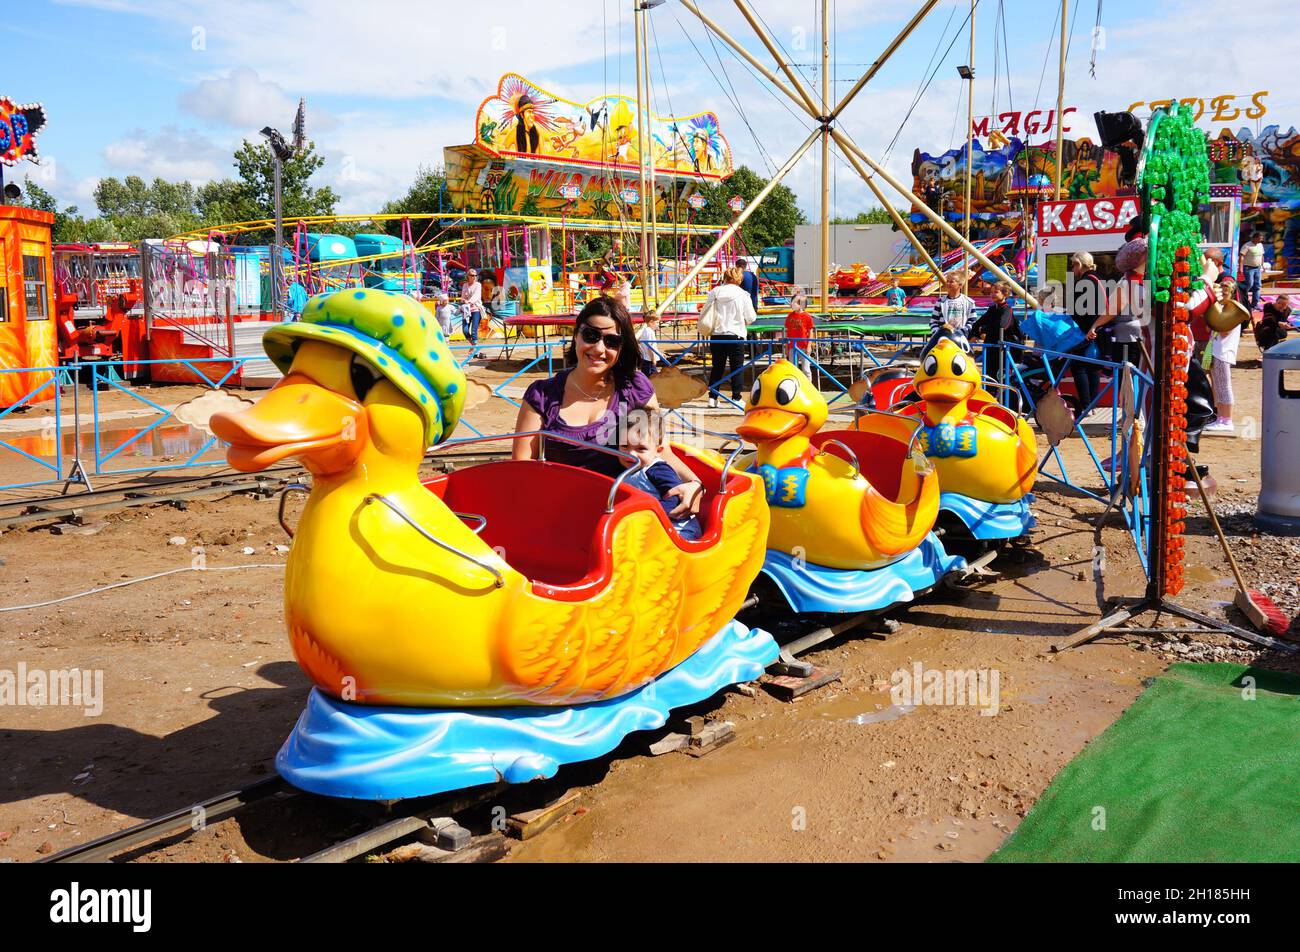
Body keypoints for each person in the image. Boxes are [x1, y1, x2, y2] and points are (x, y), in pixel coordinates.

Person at [513, 297, 704, 517]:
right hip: (558, 512)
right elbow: (522, 470)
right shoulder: (542, 395)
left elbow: (661, 451)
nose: (599, 349)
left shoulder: (634, 388)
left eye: (611, 341)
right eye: (591, 336)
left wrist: (696, 484)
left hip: (621, 516)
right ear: (576, 336)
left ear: (621, 347)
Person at [619, 407, 704, 542]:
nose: (631, 454)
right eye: (624, 446)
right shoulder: (628, 472)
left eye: (641, 448)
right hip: (650, 528)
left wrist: (646, 516)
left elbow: (674, 498)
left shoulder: (658, 469)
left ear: (658, 450)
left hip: (678, 530)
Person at [699, 265, 759, 408]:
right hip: (735, 335)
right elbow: (751, 317)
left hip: (717, 335)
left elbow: (705, 310)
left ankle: (713, 397)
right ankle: (736, 398)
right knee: (736, 368)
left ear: (725, 277)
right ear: (739, 279)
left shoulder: (715, 292)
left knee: (717, 367)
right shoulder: (743, 295)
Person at [1204, 277, 1252, 435]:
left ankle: (1227, 420)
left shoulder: (1231, 310)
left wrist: (1214, 312)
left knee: (1224, 387)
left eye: (1225, 292)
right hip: (1217, 351)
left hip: (1223, 352)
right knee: (1219, 386)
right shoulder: (1223, 309)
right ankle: (1221, 418)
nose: (1223, 294)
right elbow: (1209, 329)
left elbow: (1224, 330)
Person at [1093, 236, 1149, 371]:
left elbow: (1114, 309)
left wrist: (1095, 325)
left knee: (1126, 376)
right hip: (1139, 336)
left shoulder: (1127, 282)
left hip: (1128, 338)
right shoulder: (1142, 281)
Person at [1067, 251, 1108, 417]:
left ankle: (1085, 404)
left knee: (1079, 368)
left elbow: (1079, 311)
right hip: (1097, 329)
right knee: (1093, 369)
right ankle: (1092, 404)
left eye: (1074, 264)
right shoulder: (1098, 280)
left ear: (1080, 264)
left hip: (1085, 331)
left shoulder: (1084, 283)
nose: (1072, 268)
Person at [968, 282, 1021, 384]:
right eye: (991, 292)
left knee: (1000, 378)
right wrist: (974, 334)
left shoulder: (1007, 309)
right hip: (991, 348)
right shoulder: (992, 309)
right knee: (988, 376)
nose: (992, 294)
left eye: (996, 292)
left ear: (1005, 294)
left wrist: (984, 329)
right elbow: (978, 323)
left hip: (1003, 350)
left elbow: (1002, 326)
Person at [931, 271, 977, 345]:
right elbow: (933, 321)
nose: (948, 284)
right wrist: (938, 332)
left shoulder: (969, 302)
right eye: (947, 281)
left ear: (960, 285)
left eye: (951, 282)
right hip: (943, 339)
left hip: (961, 339)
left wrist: (961, 332)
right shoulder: (941, 301)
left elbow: (972, 321)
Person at [784, 294, 816, 376]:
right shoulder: (789, 316)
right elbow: (787, 332)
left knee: (806, 370)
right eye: (792, 302)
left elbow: (810, 332)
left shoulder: (807, 317)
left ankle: (808, 387)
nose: (792, 304)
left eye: (795, 302)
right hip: (792, 347)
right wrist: (786, 347)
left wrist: (809, 346)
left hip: (803, 347)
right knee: (793, 369)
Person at [1239, 230, 1266, 314]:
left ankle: (1255, 304)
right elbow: (1241, 257)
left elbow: (1262, 255)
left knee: (1257, 285)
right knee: (1249, 284)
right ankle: (1242, 296)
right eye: (1259, 238)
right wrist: (1240, 267)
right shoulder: (1247, 246)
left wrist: (1262, 265)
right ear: (1254, 238)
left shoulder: (1260, 245)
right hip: (1248, 268)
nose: (1260, 240)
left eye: (1261, 239)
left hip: (1257, 268)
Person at [460, 268, 484, 346]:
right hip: (466, 310)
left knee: (474, 331)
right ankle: (473, 345)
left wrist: (469, 302)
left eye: (475, 275)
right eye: (472, 275)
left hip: (476, 309)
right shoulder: (465, 285)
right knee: (465, 330)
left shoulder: (478, 285)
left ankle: (474, 350)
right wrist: (463, 301)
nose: (474, 277)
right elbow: (462, 297)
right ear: (468, 276)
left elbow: (476, 296)